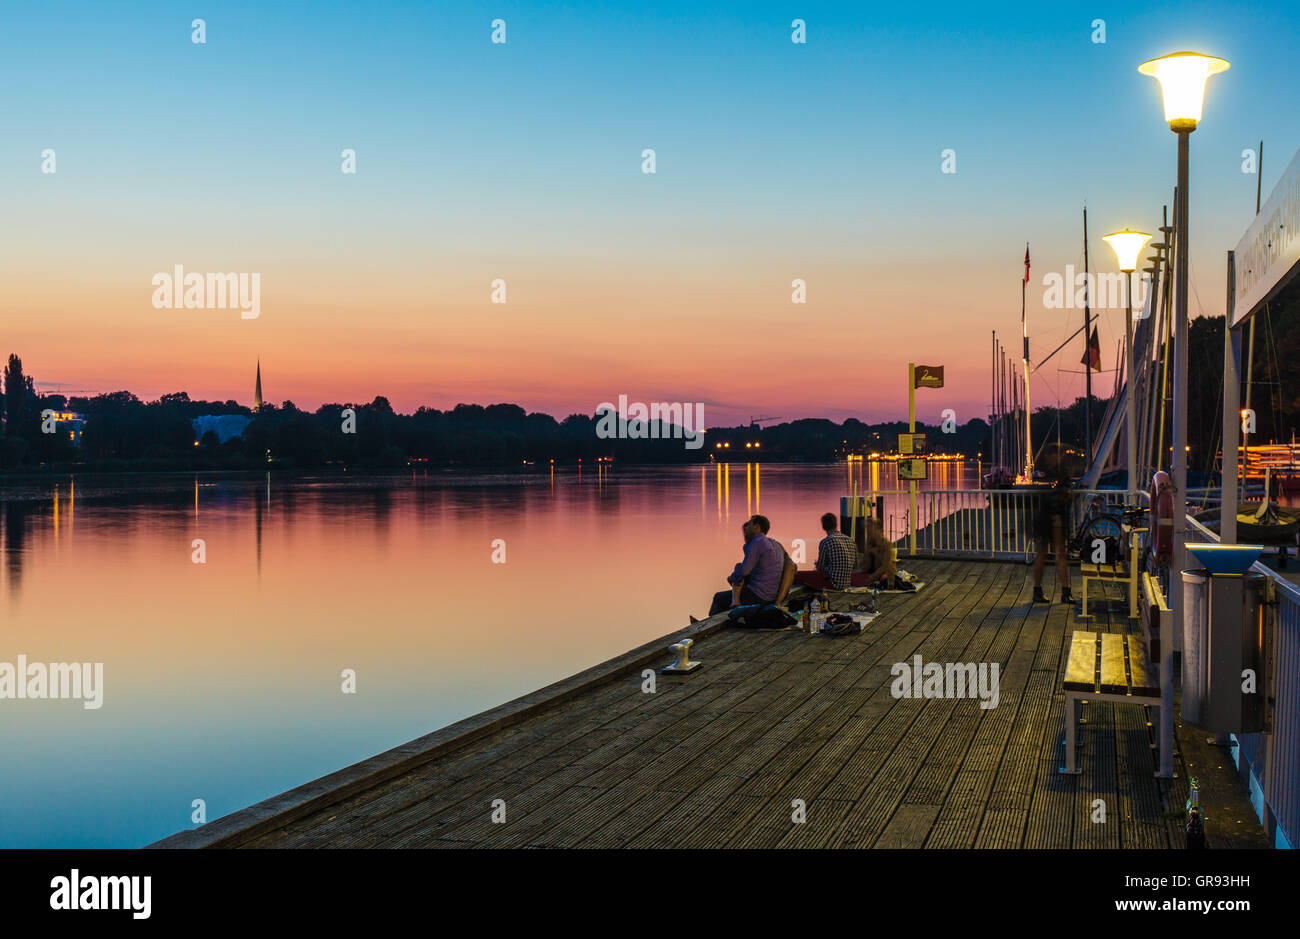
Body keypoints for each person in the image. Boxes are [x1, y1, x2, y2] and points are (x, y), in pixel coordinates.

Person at [707, 514, 785, 616]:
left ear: (757, 527)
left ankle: (708, 625)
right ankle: (732, 614)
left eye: (749, 525)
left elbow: (744, 570)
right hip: (771, 595)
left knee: (718, 597)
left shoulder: (758, 542)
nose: (746, 528)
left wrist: (731, 577)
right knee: (738, 573)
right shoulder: (774, 544)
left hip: (759, 595)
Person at [1033, 465, 1073, 604]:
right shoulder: (1064, 491)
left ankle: (1037, 591)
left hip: (1043, 521)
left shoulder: (1053, 490)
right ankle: (1065, 592)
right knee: (1060, 555)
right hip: (1054, 521)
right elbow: (1060, 509)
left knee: (1041, 555)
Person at [792, 513, 859, 590]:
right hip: (847, 584)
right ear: (836, 524)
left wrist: (818, 564)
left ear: (823, 526)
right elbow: (855, 565)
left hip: (832, 584)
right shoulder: (850, 541)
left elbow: (820, 567)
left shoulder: (826, 542)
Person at [860, 517, 913, 591]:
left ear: (877, 528)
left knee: (883, 579)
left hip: (884, 573)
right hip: (872, 573)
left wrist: (871, 578)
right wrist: (868, 553)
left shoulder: (886, 544)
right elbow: (865, 566)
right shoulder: (870, 543)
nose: (867, 530)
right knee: (853, 578)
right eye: (865, 528)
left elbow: (886, 566)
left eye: (868, 527)